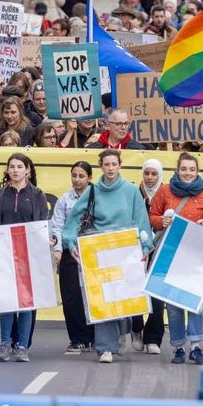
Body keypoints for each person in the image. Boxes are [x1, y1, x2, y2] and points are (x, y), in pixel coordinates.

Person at [62, 149, 154, 363]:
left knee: (123, 300)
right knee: (102, 300)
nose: (110, 168)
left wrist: (145, 247)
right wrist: (70, 241)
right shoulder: (92, 191)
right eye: (106, 164)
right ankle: (105, 348)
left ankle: (122, 332)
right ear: (101, 166)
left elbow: (141, 219)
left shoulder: (131, 191)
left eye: (114, 164)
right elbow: (75, 217)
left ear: (119, 165)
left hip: (126, 249)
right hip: (99, 248)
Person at [149, 152, 203, 365]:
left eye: (191, 169)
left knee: (196, 301)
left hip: (196, 254)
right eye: (184, 169)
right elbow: (151, 218)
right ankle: (178, 347)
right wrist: (163, 221)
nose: (187, 173)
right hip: (171, 253)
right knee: (173, 303)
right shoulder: (164, 191)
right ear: (177, 170)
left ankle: (196, 346)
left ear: (197, 171)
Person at [0, 153, 51, 362]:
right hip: (4, 254)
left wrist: (48, 242)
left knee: (26, 303)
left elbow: (41, 223)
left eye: (20, 166)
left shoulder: (38, 194)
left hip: (28, 255)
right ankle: (5, 344)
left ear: (27, 170)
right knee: (7, 301)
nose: (15, 170)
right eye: (11, 166)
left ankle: (22, 346)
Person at [50, 161, 97, 353]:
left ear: (90, 178)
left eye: (81, 176)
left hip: (92, 250)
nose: (77, 180)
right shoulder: (64, 199)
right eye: (74, 176)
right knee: (71, 297)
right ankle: (77, 338)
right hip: (71, 250)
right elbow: (57, 225)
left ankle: (95, 336)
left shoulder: (97, 197)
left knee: (93, 295)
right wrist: (59, 250)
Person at [136, 159, 168, 354]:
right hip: (137, 248)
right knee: (135, 288)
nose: (149, 177)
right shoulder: (134, 193)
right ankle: (136, 329)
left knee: (156, 292)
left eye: (153, 174)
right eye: (146, 173)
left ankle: (153, 338)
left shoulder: (167, 194)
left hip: (160, 246)